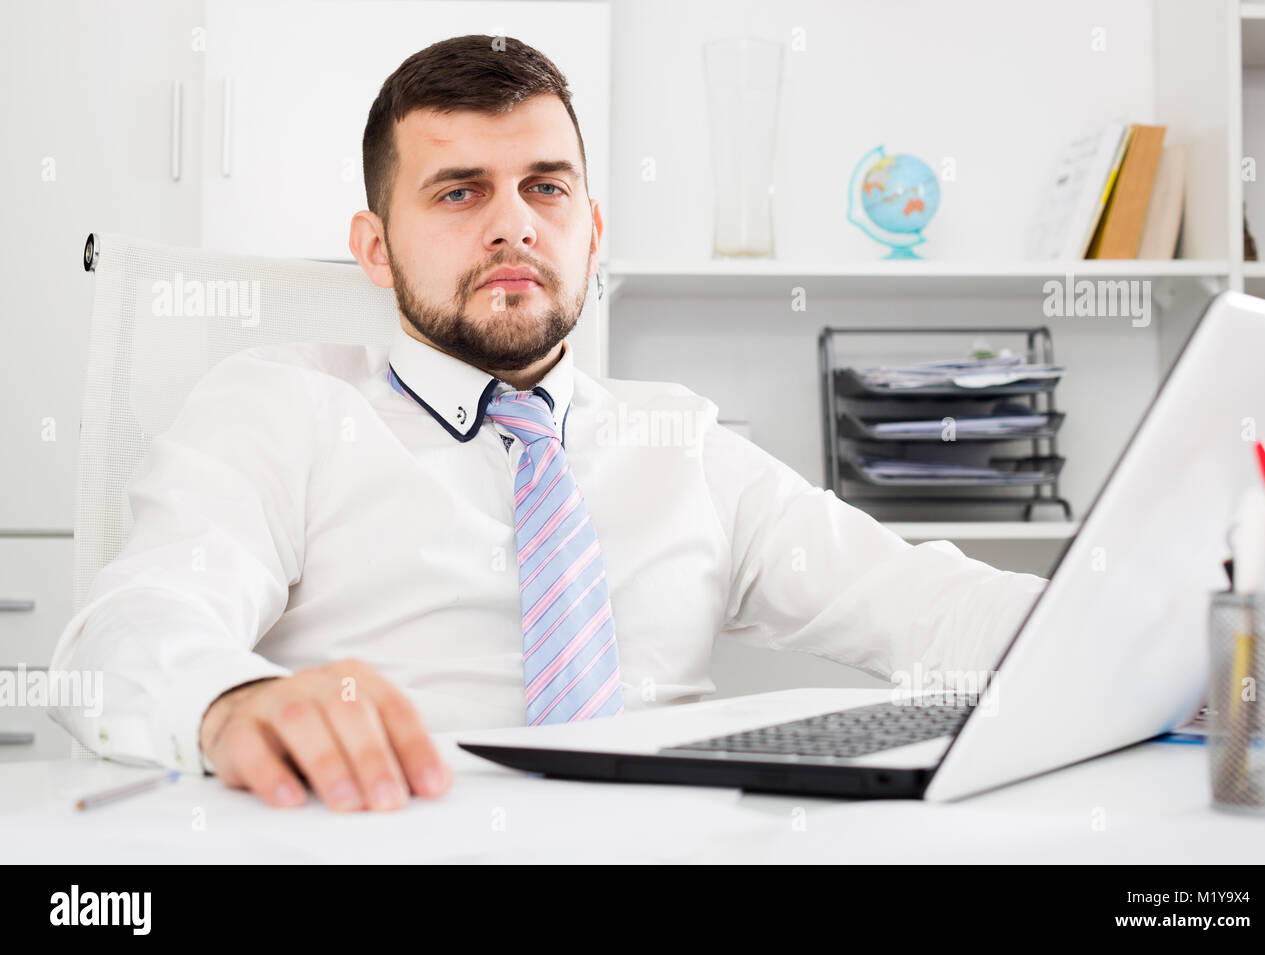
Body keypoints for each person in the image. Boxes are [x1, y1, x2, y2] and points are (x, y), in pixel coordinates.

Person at [49, 35, 1048, 813]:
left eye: (546, 187)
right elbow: (127, 630)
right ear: (375, 248)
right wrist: (231, 703)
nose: (514, 223)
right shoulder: (282, 407)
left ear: (591, 230)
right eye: (458, 191)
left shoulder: (679, 442)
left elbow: (926, 606)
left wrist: (1155, 633)